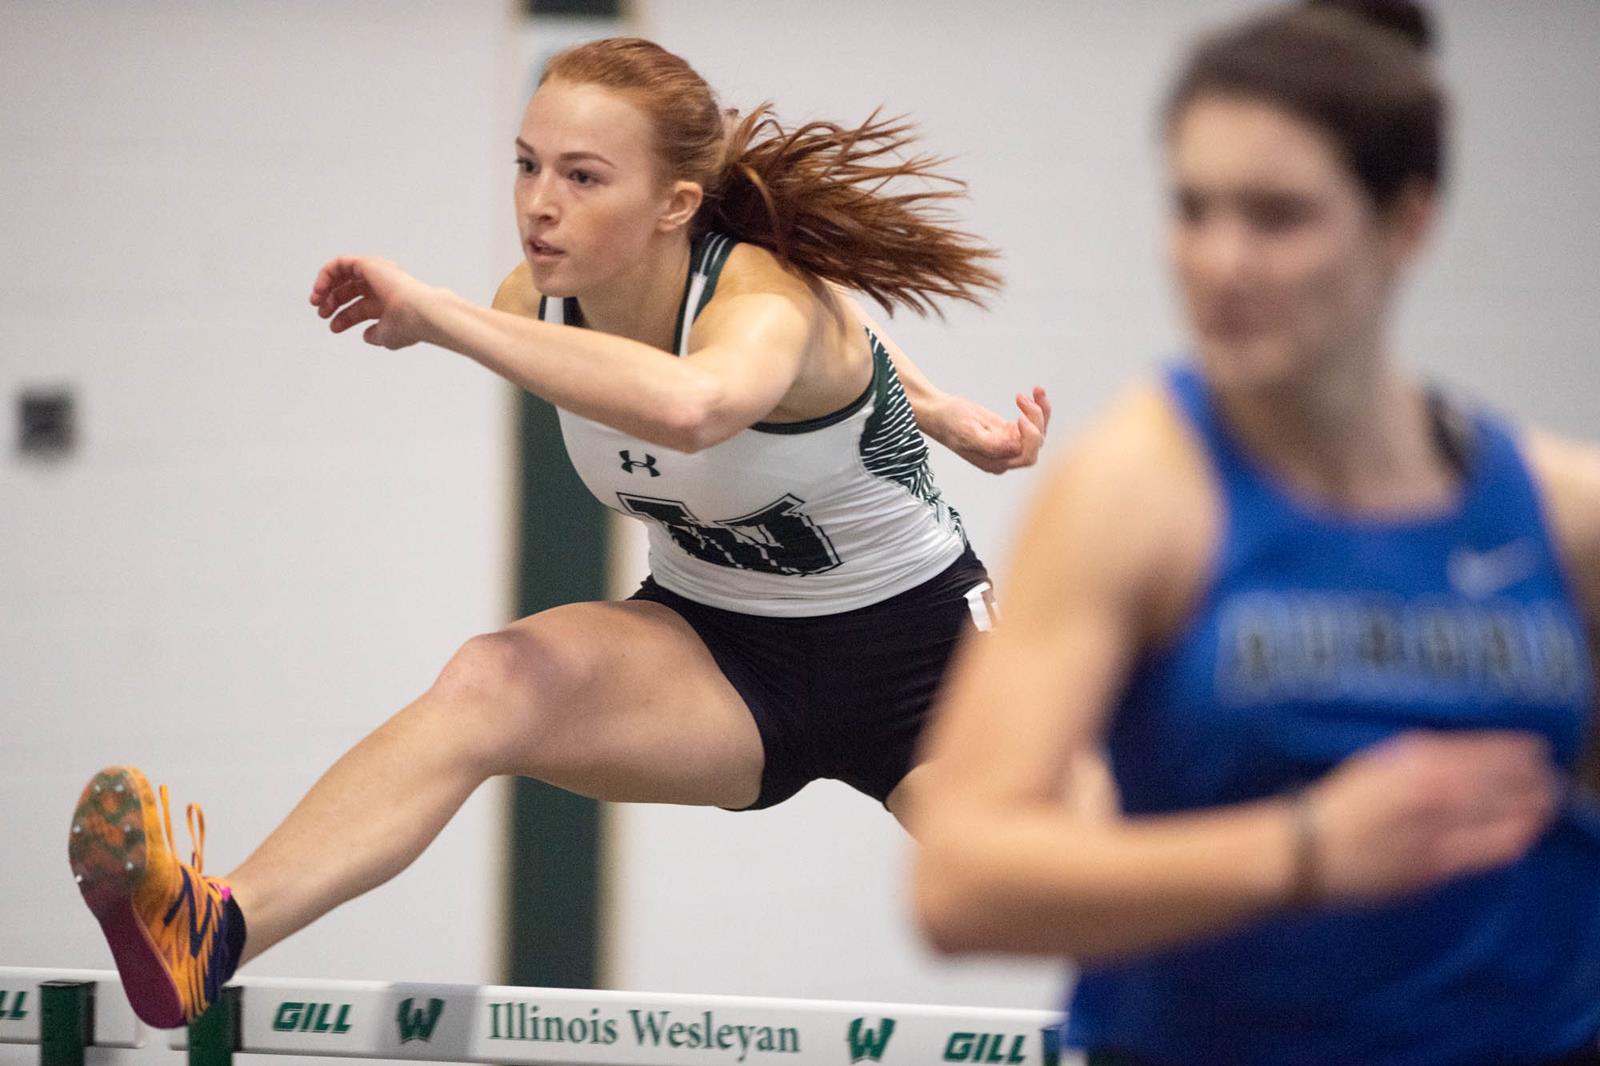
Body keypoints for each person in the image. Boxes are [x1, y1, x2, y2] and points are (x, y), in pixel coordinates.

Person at [68, 36, 1051, 1029]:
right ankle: (213, 926)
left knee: (1054, 892)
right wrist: (942, 411)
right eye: (527, 164)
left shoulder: (757, 298)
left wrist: (440, 314)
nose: (540, 202)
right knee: (491, 680)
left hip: (920, 656)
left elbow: (702, 402)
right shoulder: (531, 304)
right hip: (718, 653)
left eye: (583, 177)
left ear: (674, 202)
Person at [911, 2, 1600, 1064]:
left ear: (1404, 221)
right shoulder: (1131, 495)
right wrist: (1305, 851)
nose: (1219, 262)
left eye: (1276, 216)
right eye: (1193, 210)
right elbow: (957, 878)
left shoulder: (1559, 509)